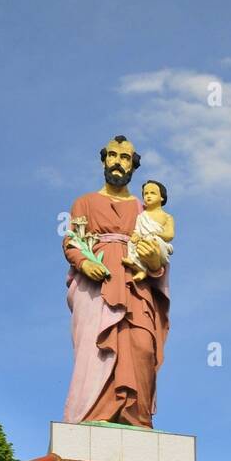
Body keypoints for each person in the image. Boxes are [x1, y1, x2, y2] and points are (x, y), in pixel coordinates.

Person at [62, 136, 171, 428]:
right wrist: (85, 262)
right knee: (96, 347)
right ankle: (92, 414)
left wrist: (153, 261)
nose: (118, 162)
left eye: (125, 158)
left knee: (142, 345)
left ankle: (135, 416)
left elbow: (159, 252)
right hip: (96, 286)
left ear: (133, 166)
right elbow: (72, 240)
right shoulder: (84, 202)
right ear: (103, 160)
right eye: (112, 156)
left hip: (136, 285)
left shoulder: (143, 210)